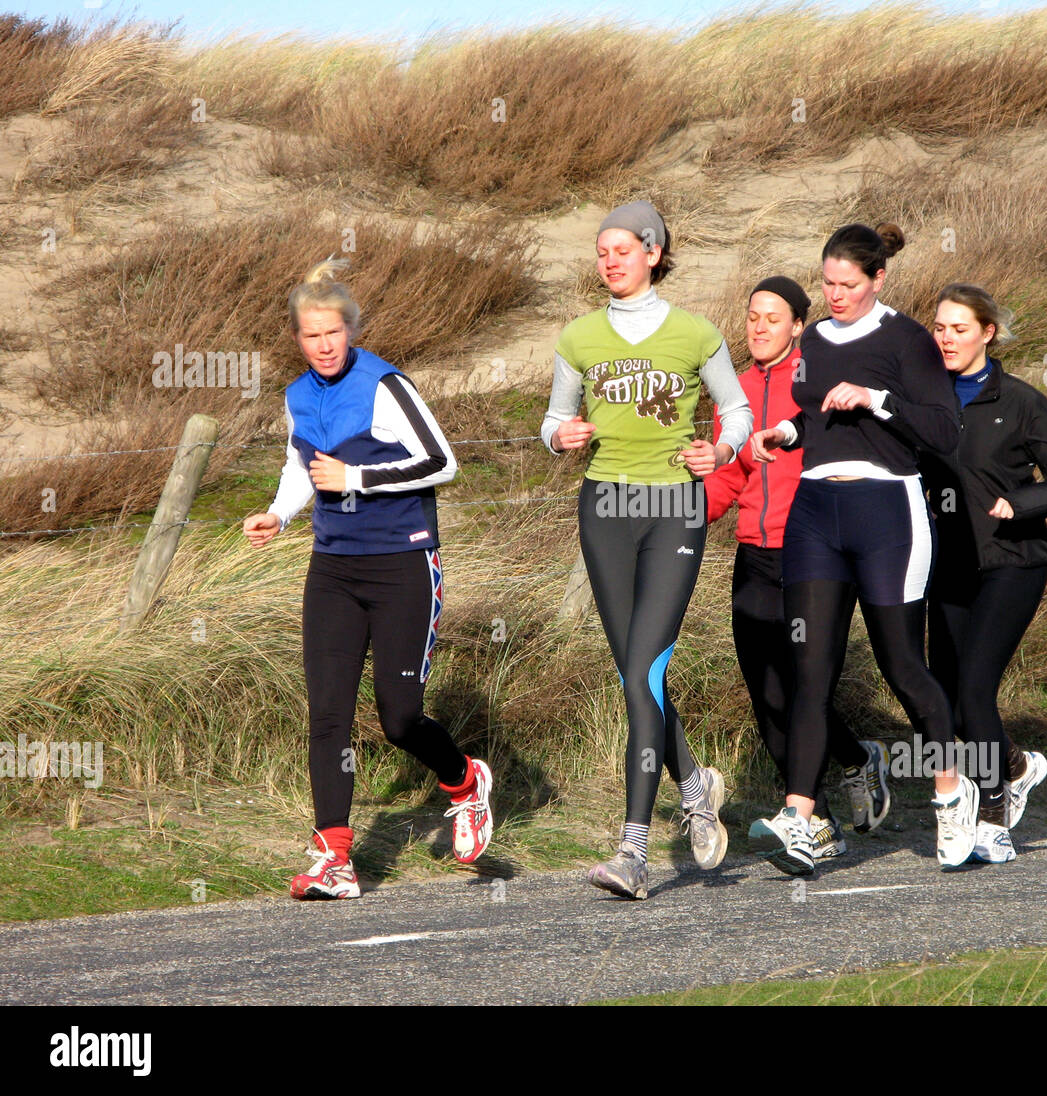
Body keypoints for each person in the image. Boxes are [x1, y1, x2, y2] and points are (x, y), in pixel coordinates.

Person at [243, 258, 493, 899]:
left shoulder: (385, 385)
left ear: (350, 329)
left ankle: (465, 782)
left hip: (403, 565)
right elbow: (304, 467)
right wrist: (278, 512)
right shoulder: (298, 396)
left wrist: (357, 480)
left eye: (333, 333)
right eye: (310, 336)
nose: (323, 346)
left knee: (399, 719)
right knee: (327, 715)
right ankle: (335, 859)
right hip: (332, 569)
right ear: (297, 339)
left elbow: (442, 460)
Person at [749, 223, 976, 874]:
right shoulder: (815, 338)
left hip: (888, 514)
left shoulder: (906, 340)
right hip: (817, 511)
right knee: (809, 672)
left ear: (878, 280)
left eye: (849, 285)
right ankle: (799, 816)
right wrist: (786, 433)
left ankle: (951, 793)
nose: (836, 295)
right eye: (827, 284)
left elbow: (941, 430)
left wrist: (877, 399)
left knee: (903, 666)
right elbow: (816, 413)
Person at [541, 200, 753, 899]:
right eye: (601, 250)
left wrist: (718, 448)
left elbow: (740, 410)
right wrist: (560, 437)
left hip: (671, 508)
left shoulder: (695, 333)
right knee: (638, 672)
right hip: (605, 506)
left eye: (622, 249)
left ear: (654, 252)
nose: (609, 260)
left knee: (641, 673)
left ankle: (632, 851)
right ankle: (695, 785)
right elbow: (554, 416)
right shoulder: (579, 336)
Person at [704, 275, 891, 861]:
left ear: (798, 326)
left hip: (813, 554)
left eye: (772, 317)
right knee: (769, 697)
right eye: (753, 316)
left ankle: (838, 782)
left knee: (806, 688)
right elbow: (729, 476)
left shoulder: (818, 382)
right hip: (752, 554)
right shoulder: (731, 391)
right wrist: (679, 518)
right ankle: (824, 816)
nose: (759, 327)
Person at [924, 282, 1047, 862]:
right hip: (946, 566)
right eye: (940, 328)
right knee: (942, 697)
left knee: (974, 691)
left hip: (1011, 561)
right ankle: (1015, 768)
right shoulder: (925, 399)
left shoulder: (1020, 401)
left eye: (960, 329)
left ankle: (993, 806)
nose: (947, 339)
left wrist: (1020, 503)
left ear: (987, 333)